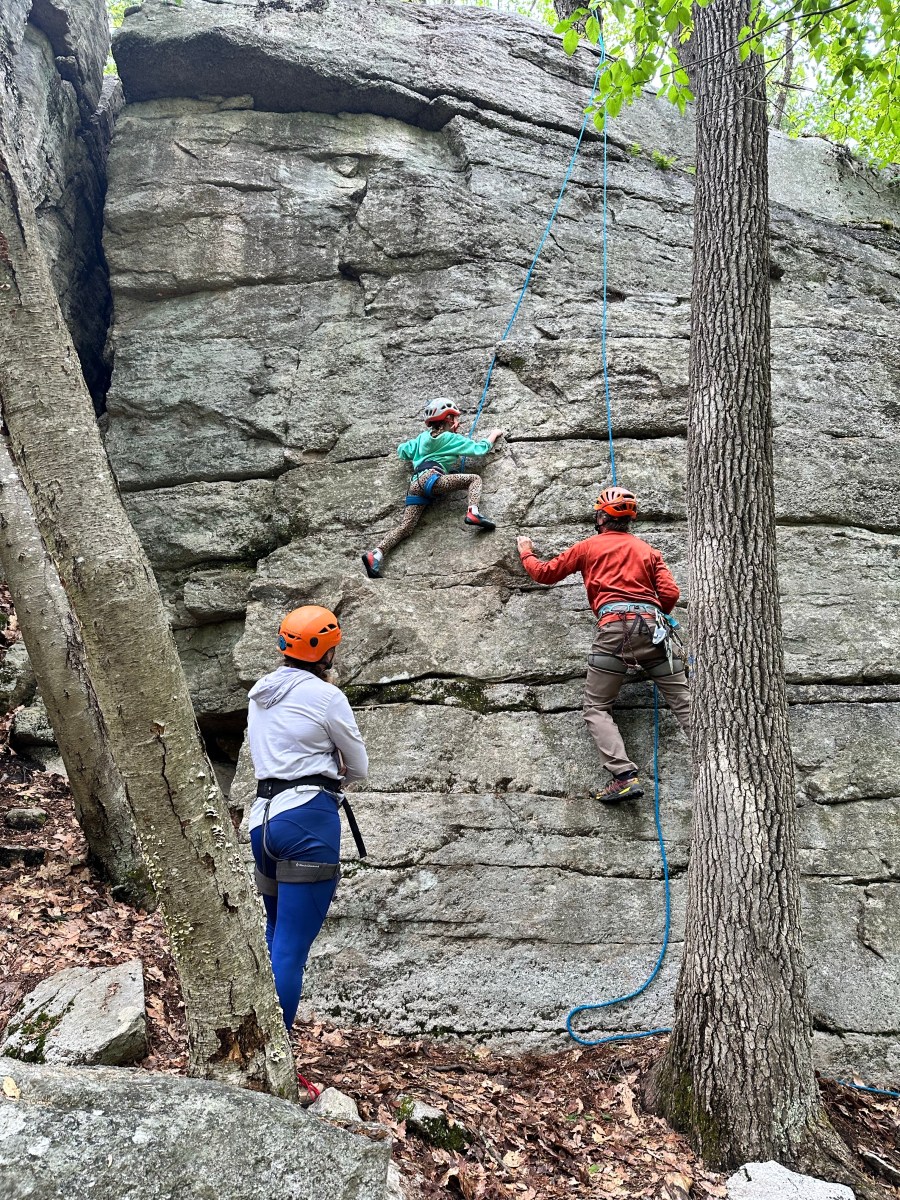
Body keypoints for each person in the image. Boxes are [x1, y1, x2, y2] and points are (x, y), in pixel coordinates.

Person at [516, 486, 690, 804]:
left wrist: (526, 551)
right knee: (684, 704)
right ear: (629, 520)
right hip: (655, 631)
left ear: (600, 516)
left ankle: (624, 777)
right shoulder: (649, 552)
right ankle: (725, 764)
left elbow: (544, 574)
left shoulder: (588, 547)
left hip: (614, 631)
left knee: (597, 707)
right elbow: (670, 595)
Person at [246, 605, 368, 1029]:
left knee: (275, 936)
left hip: (262, 822)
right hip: (307, 821)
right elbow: (359, 765)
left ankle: (260, 1042)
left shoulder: (260, 692)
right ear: (326, 652)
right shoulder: (327, 696)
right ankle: (277, 1049)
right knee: (291, 950)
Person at [362, 397, 504, 578]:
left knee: (406, 527)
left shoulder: (421, 439)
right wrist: (494, 434)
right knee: (474, 479)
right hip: (433, 479)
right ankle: (473, 512)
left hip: (415, 484)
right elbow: (479, 449)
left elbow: (402, 450)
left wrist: (419, 450)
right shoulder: (451, 438)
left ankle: (376, 554)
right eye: (455, 418)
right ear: (449, 419)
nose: (457, 423)